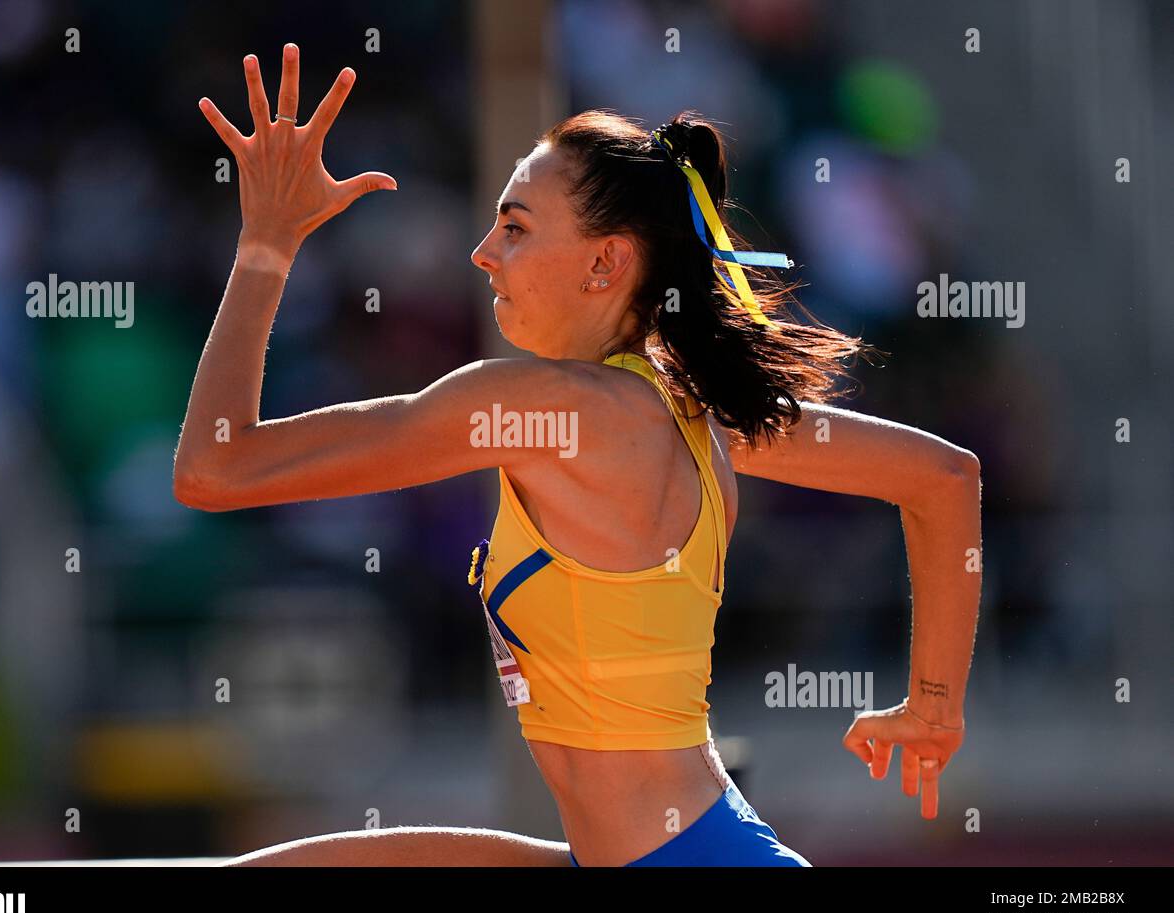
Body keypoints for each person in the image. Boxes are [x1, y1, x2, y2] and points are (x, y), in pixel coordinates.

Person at [180, 44, 979, 866]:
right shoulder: (696, 411)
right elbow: (942, 478)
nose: (482, 253)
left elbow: (217, 467)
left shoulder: (536, 410)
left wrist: (267, 245)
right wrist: (934, 710)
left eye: (515, 228)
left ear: (606, 262)